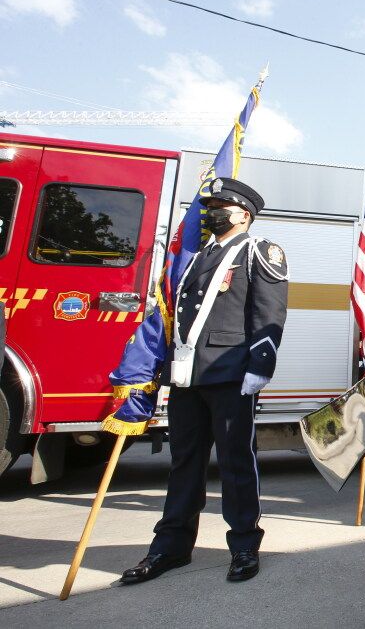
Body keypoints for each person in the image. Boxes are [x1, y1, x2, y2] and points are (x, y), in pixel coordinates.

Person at [121, 177, 290, 584]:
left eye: (220, 207)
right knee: (184, 464)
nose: (211, 213)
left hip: (230, 374)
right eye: (209, 206)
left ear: (242, 213)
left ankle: (245, 545)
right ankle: (170, 548)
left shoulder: (258, 251)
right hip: (187, 376)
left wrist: (259, 366)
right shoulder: (194, 257)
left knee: (235, 464)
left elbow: (269, 314)